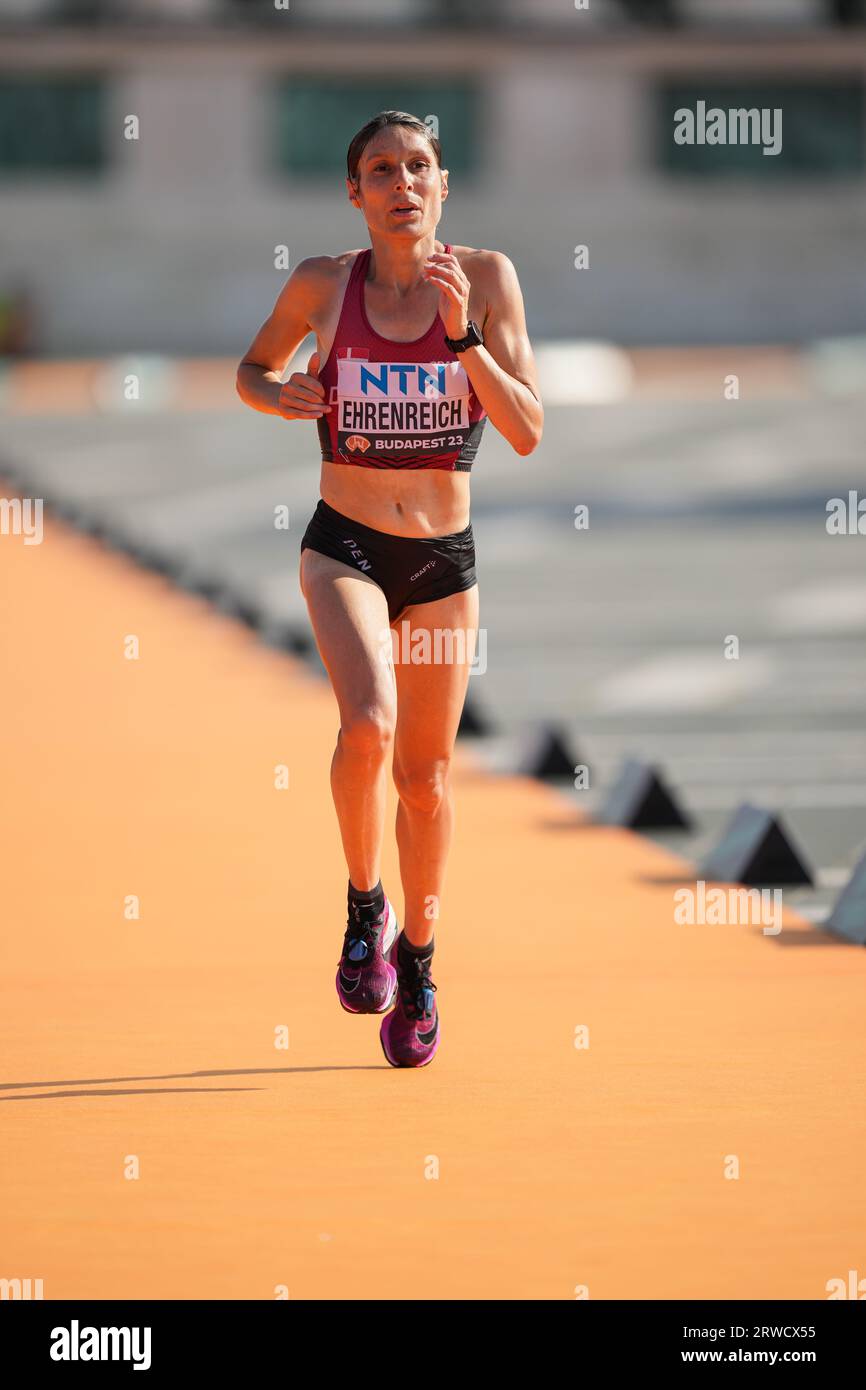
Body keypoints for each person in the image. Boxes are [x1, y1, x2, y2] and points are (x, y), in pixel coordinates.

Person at [236, 110, 542, 1067]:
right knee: (363, 723)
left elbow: (528, 428)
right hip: (346, 547)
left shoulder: (485, 280)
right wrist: (274, 391)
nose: (402, 182)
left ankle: (420, 960)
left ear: (443, 185)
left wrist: (464, 343)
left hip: (443, 563)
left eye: (419, 167)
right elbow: (253, 367)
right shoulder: (323, 285)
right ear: (355, 193)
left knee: (426, 777)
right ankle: (364, 905)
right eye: (381, 169)